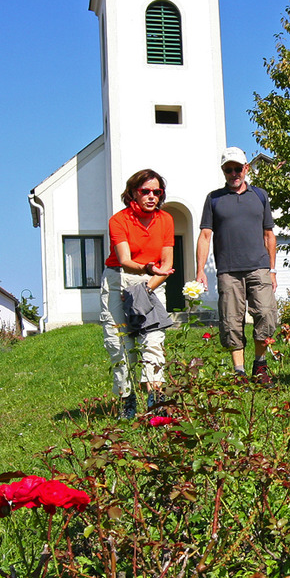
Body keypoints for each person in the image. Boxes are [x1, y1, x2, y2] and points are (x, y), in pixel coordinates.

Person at [192, 147, 278, 383]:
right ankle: (238, 371)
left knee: (266, 314)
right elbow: (205, 235)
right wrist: (200, 270)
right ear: (223, 171)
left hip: (259, 268)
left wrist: (272, 270)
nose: (233, 173)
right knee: (231, 321)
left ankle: (260, 365)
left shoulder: (260, 196)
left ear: (246, 168)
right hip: (228, 271)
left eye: (237, 168)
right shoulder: (214, 198)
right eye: (228, 169)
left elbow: (269, 235)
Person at [101, 168, 175, 417]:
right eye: (145, 191)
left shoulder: (166, 220)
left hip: (152, 282)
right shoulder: (118, 220)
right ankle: (127, 401)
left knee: (153, 341)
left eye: (157, 191)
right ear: (133, 192)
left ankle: (155, 403)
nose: (151, 196)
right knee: (120, 344)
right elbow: (123, 259)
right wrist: (141, 274)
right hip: (119, 281)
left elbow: (166, 265)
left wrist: (144, 289)